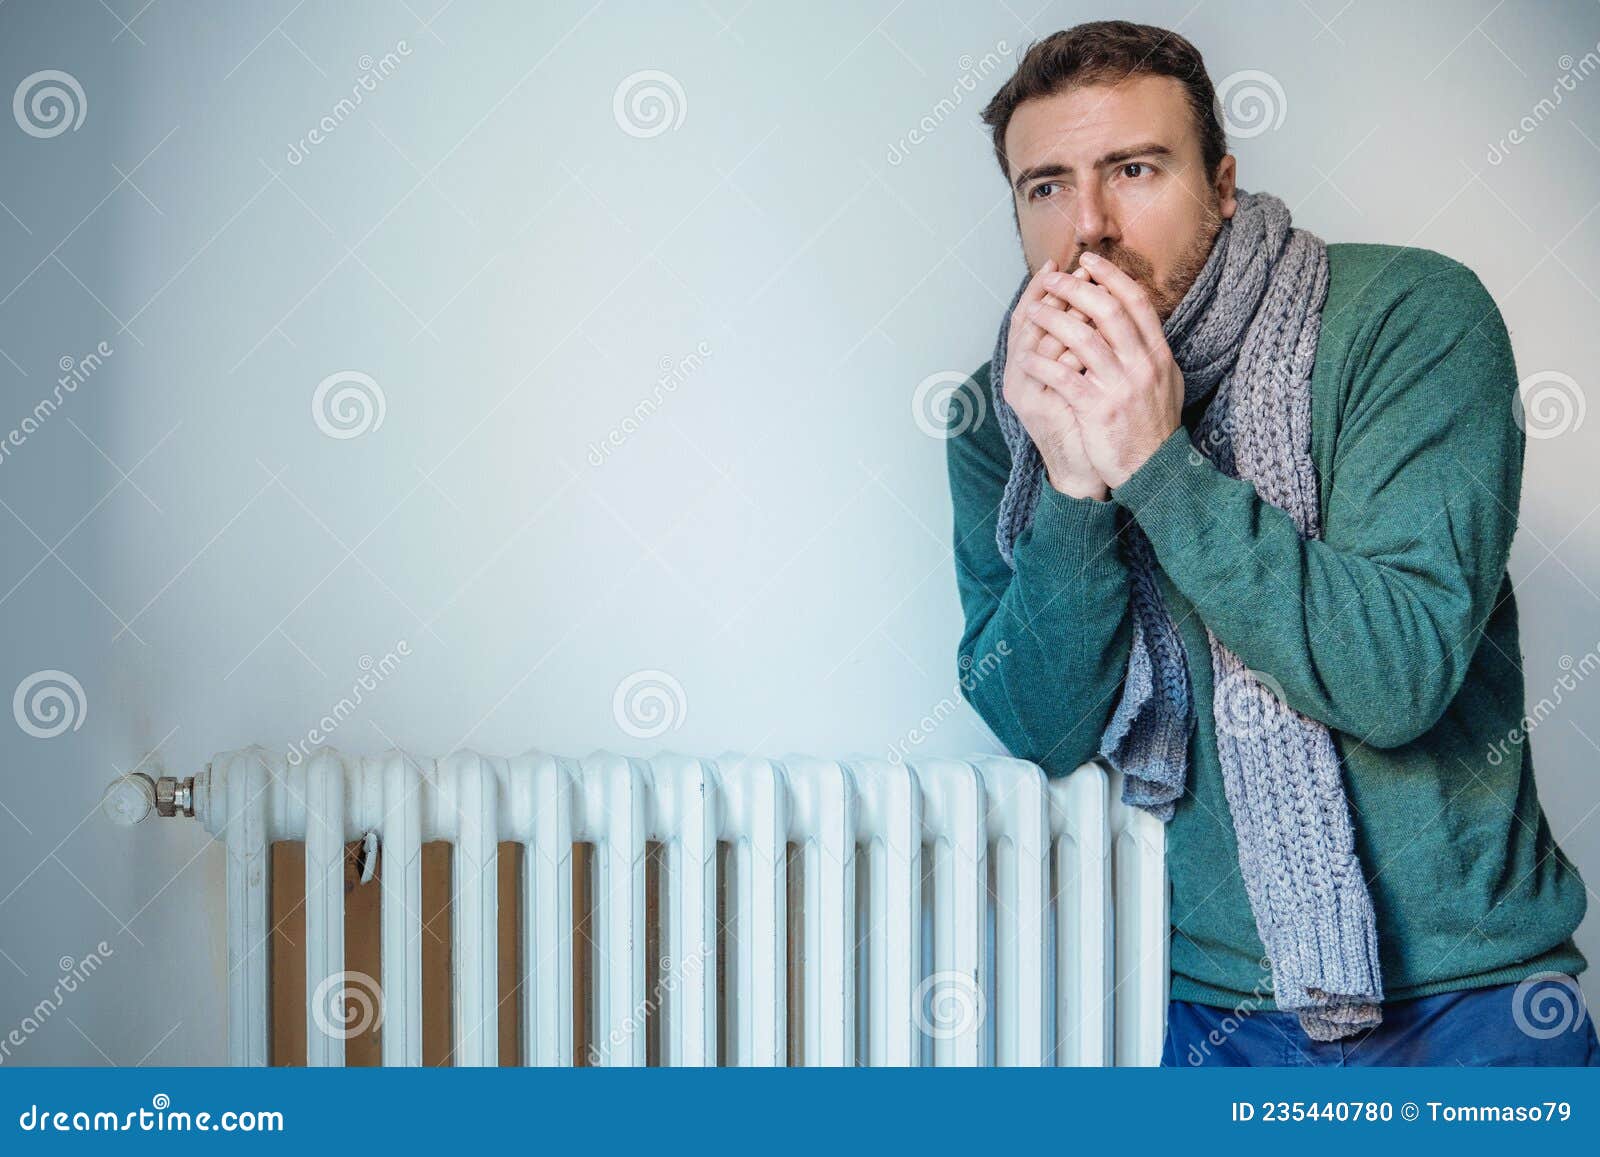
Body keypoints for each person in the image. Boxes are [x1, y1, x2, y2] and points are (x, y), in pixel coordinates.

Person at [945, 19, 1596, 1066]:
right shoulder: (1008, 413)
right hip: (1218, 1012)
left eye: (1135, 169)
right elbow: (1044, 728)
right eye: (1047, 186)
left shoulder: (1408, 317)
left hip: (1471, 1007)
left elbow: (1395, 679)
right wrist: (1070, 483)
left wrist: (1154, 461)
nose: (1091, 225)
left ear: (1221, 184)